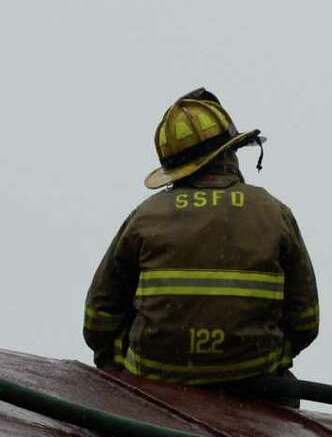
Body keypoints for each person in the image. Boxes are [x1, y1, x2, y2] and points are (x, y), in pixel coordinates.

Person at [83, 89, 319, 388]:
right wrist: (257, 359)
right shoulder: (273, 213)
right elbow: (305, 320)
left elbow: (99, 316)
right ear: (229, 154)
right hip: (258, 385)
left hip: (153, 385)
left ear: (174, 169)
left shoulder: (146, 215)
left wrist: (127, 367)